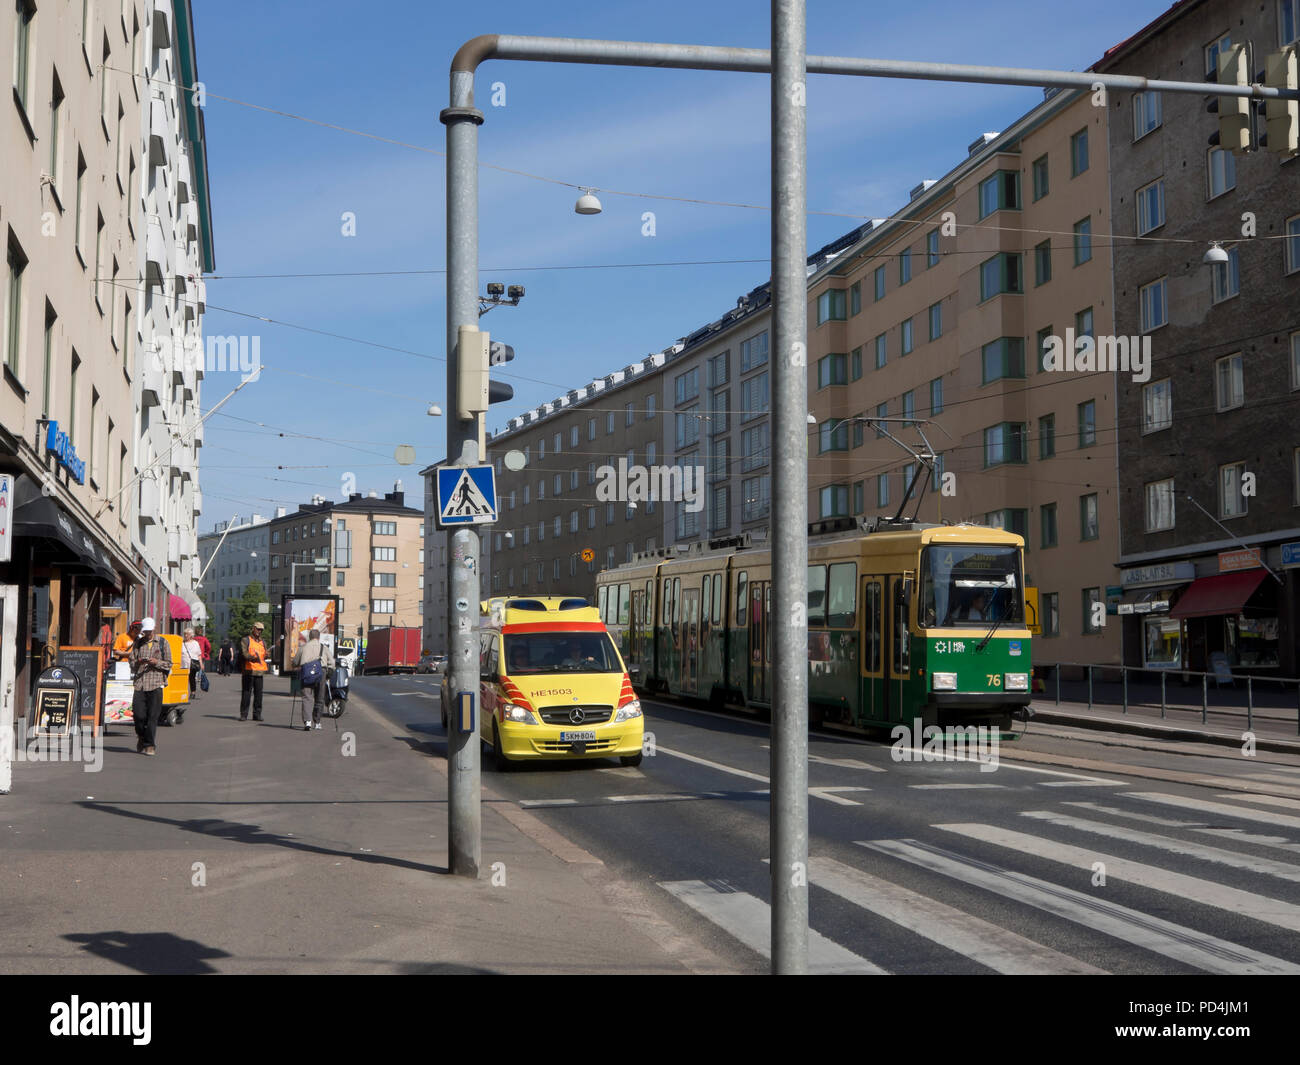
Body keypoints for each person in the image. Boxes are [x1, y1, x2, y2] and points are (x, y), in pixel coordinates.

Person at [130, 618, 172, 756]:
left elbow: (169, 664)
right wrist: (138, 662)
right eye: (145, 631)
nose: (147, 633)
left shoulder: (162, 642)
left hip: (155, 683)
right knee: (138, 715)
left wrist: (156, 662)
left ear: (153, 629)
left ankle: (150, 745)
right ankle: (141, 736)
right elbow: (132, 661)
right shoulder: (138, 643)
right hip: (140, 683)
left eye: (149, 631)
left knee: (152, 717)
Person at [292, 628, 334, 730]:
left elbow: (295, 662)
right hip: (321, 672)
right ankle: (317, 722)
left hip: (306, 672)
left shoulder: (303, 647)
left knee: (307, 697)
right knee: (319, 698)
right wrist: (329, 674)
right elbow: (332, 663)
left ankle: (308, 722)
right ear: (319, 637)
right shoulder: (324, 648)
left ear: (309, 637)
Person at [238, 622, 269, 722]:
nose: (259, 631)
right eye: (258, 629)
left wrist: (267, 655)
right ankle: (244, 714)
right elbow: (244, 653)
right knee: (246, 694)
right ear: (253, 628)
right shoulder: (246, 640)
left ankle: (257, 714)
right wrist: (252, 658)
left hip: (259, 672)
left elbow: (263, 655)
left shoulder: (263, 642)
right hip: (248, 671)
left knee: (259, 695)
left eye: (261, 630)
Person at [183, 628, 202, 704]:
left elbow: (199, 654)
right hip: (183, 663)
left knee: (191, 678)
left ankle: (193, 692)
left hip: (192, 663)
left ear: (191, 635)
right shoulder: (182, 643)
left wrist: (201, 663)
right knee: (184, 679)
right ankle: (184, 692)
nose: (185, 635)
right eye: (184, 634)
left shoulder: (195, 643)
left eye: (187, 634)